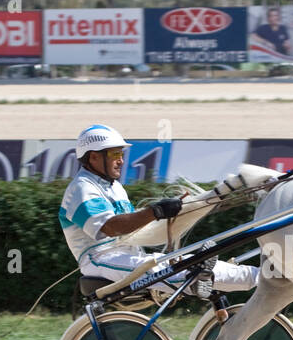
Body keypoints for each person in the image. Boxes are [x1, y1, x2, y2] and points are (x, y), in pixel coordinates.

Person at [59, 124, 259, 297]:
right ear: (93, 157)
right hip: (101, 261)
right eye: (115, 154)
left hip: (127, 256)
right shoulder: (82, 188)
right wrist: (155, 211)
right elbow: (110, 228)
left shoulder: (114, 187)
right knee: (174, 270)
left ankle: (261, 276)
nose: (121, 160)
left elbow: (131, 227)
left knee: (190, 263)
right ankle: (200, 277)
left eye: (121, 154)